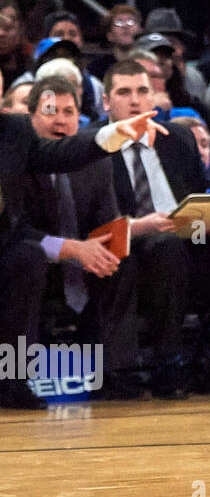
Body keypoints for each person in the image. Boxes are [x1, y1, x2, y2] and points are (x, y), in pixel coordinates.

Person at [104, 60, 210, 397]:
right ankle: (169, 362)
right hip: (133, 247)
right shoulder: (96, 144)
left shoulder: (177, 137)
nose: (135, 101)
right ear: (106, 102)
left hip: (191, 238)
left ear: (154, 97)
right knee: (164, 246)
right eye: (124, 92)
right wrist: (145, 227)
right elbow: (92, 222)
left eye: (143, 91)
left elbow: (201, 193)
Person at [0, 86, 162, 409]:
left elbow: (57, 155)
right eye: (50, 112)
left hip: (9, 244)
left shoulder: (14, 131)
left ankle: (12, 380)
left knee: (28, 257)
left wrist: (111, 134)